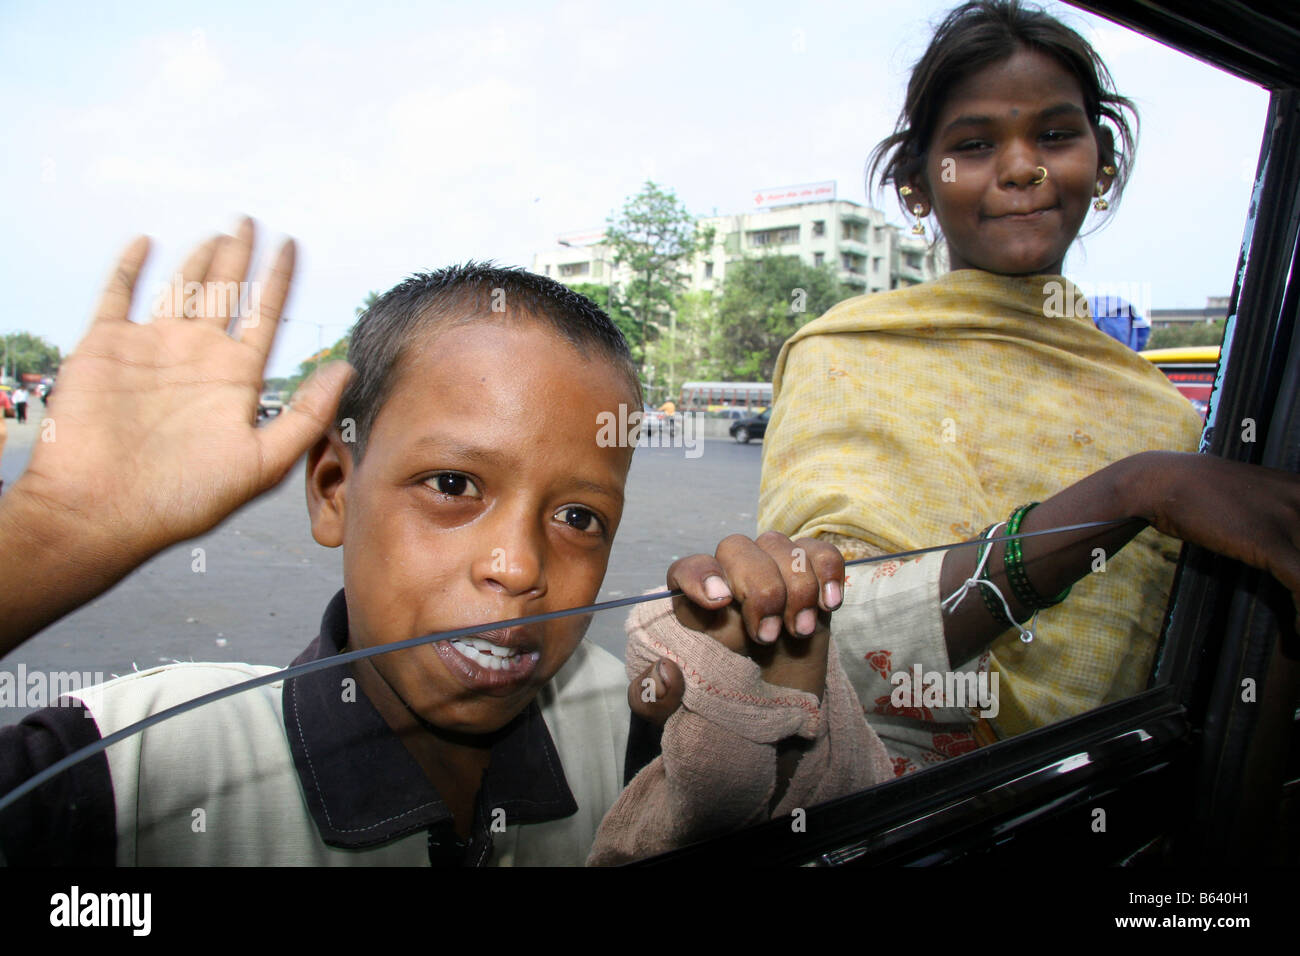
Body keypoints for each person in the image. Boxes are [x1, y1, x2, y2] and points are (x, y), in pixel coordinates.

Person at [0, 220, 882, 866]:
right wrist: (50, 536)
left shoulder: (639, 732)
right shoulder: (132, 767)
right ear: (334, 490)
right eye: (454, 486)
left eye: (579, 518)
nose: (519, 567)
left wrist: (771, 717)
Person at [757, 0, 1248, 766]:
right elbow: (829, 642)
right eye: (975, 144)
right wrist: (1128, 494)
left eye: (1055, 135)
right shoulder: (845, 353)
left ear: (1103, 162)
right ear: (917, 185)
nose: (1022, 167)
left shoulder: (1167, 420)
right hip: (888, 811)